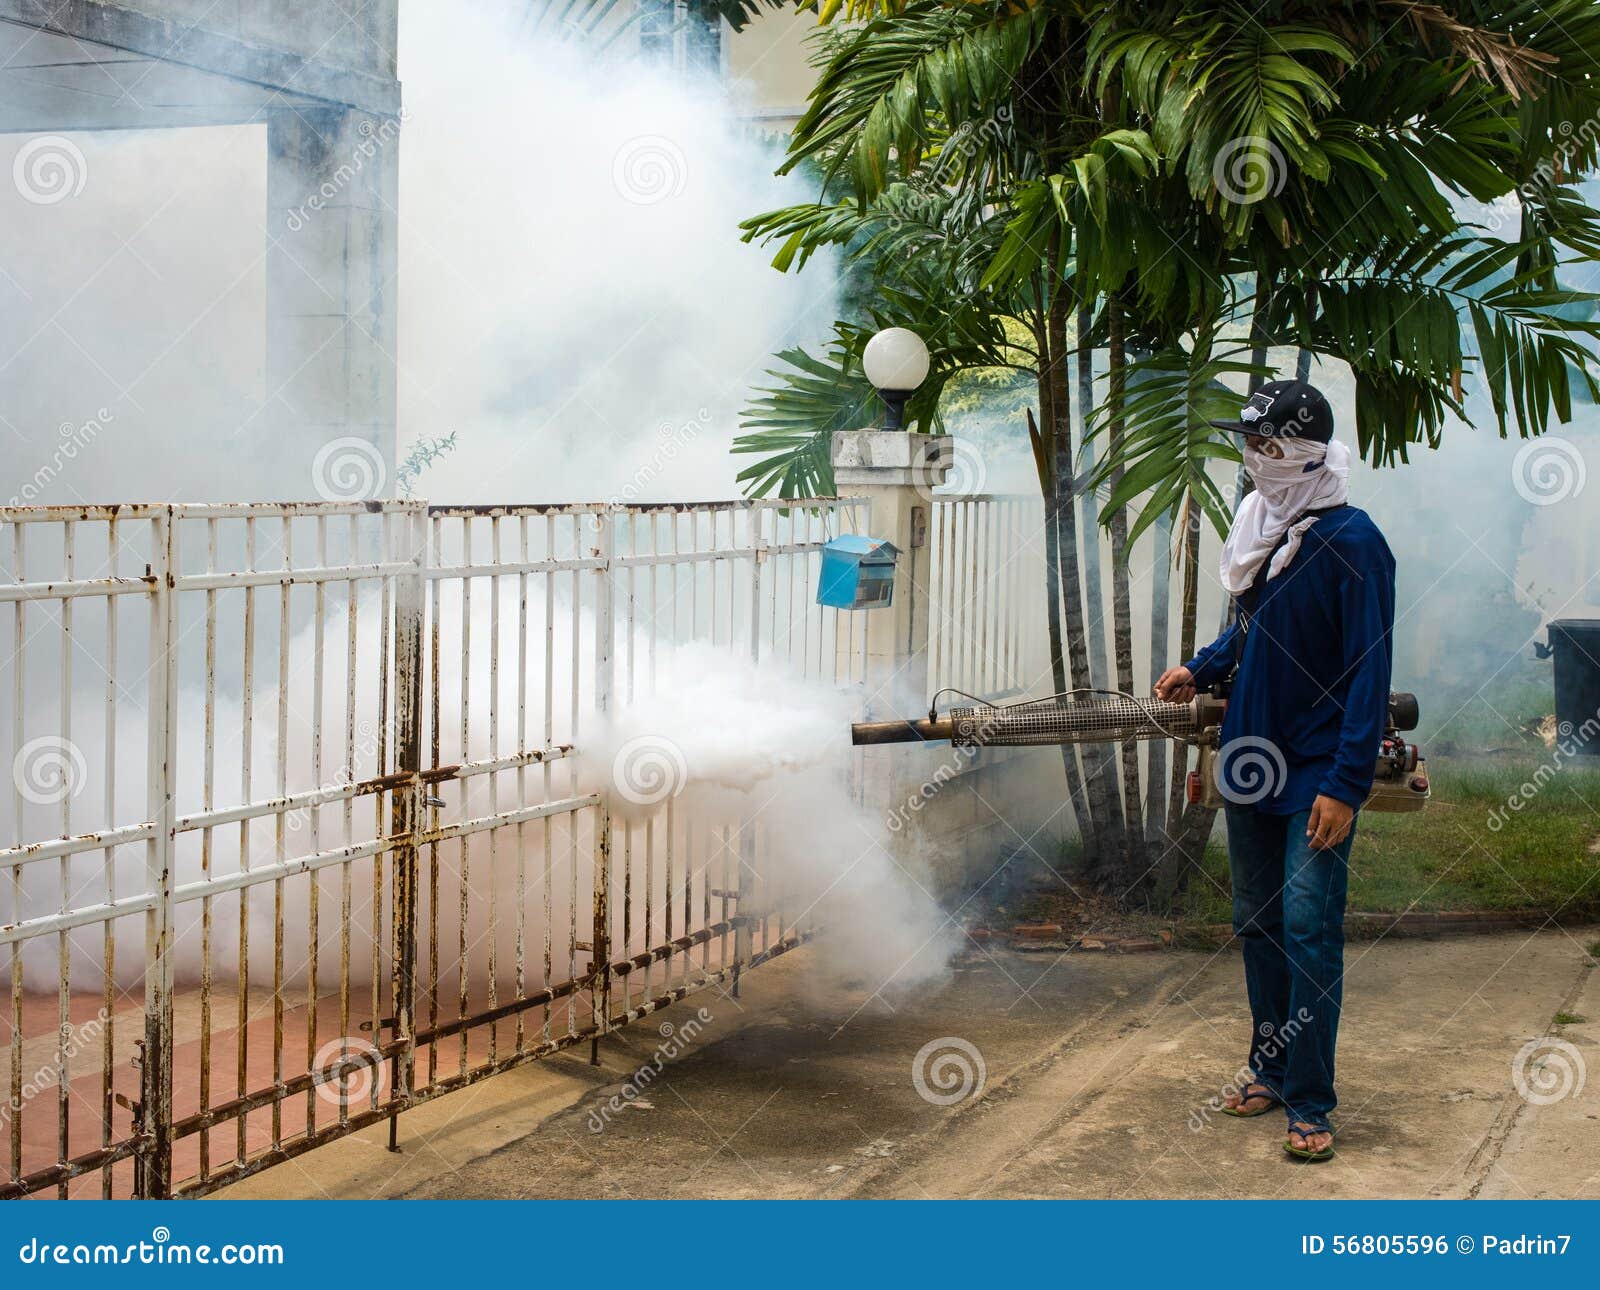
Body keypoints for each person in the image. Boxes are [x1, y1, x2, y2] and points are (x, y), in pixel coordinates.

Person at [1154, 379, 1395, 1163]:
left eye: (1266, 446)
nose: (1254, 459)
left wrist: (1346, 784)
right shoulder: (1264, 525)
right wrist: (1201, 666)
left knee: (1308, 929)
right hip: (1251, 757)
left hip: (1318, 766)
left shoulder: (1355, 544)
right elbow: (1250, 629)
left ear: (1301, 452)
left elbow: (1369, 670)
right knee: (1256, 922)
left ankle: (1311, 1099)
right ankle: (1268, 1065)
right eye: (1249, 445)